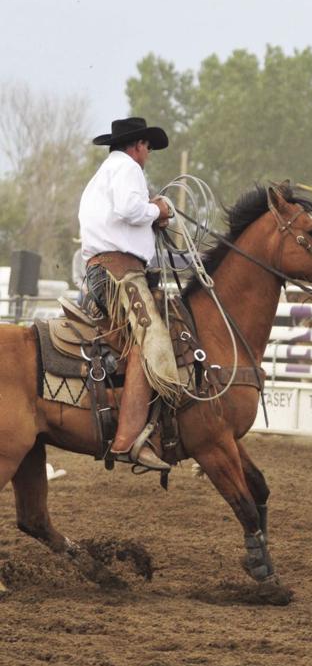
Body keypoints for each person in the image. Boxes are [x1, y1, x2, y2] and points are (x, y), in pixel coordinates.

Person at [79, 116, 182, 472]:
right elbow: (128, 210)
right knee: (150, 342)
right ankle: (128, 442)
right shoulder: (127, 169)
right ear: (137, 146)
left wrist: (150, 215)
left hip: (102, 269)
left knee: (135, 341)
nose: (148, 154)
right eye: (148, 147)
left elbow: (122, 215)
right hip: (120, 274)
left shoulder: (105, 174)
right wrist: (159, 209)